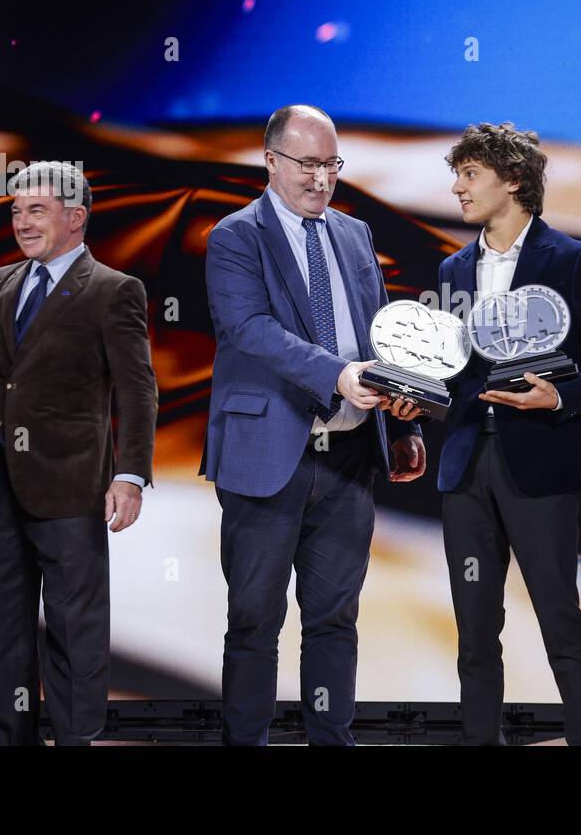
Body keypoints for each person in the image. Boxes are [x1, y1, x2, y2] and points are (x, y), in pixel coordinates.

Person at [389, 121, 581, 745]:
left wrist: (564, 394)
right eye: (457, 175)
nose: (457, 188)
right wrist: (415, 401)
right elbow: (454, 374)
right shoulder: (452, 268)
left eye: (470, 174)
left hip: (542, 464)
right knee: (475, 628)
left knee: (559, 618)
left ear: (513, 180)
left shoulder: (573, 259)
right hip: (467, 465)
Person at [201, 104, 425, 746]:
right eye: (308, 164)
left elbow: (380, 335)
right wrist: (335, 374)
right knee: (253, 622)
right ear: (270, 161)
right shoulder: (236, 237)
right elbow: (248, 330)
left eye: (332, 164)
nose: (322, 178)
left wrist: (403, 426)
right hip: (268, 460)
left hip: (351, 460)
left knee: (334, 620)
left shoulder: (355, 236)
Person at [0, 160, 157, 745]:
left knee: (73, 634)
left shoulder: (114, 291)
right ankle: (7, 739)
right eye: (15, 210)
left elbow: (138, 391)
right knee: (0, 632)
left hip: (70, 489)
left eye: (36, 210)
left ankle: (74, 738)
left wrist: (131, 475)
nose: (22, 222)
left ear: (76, 218)